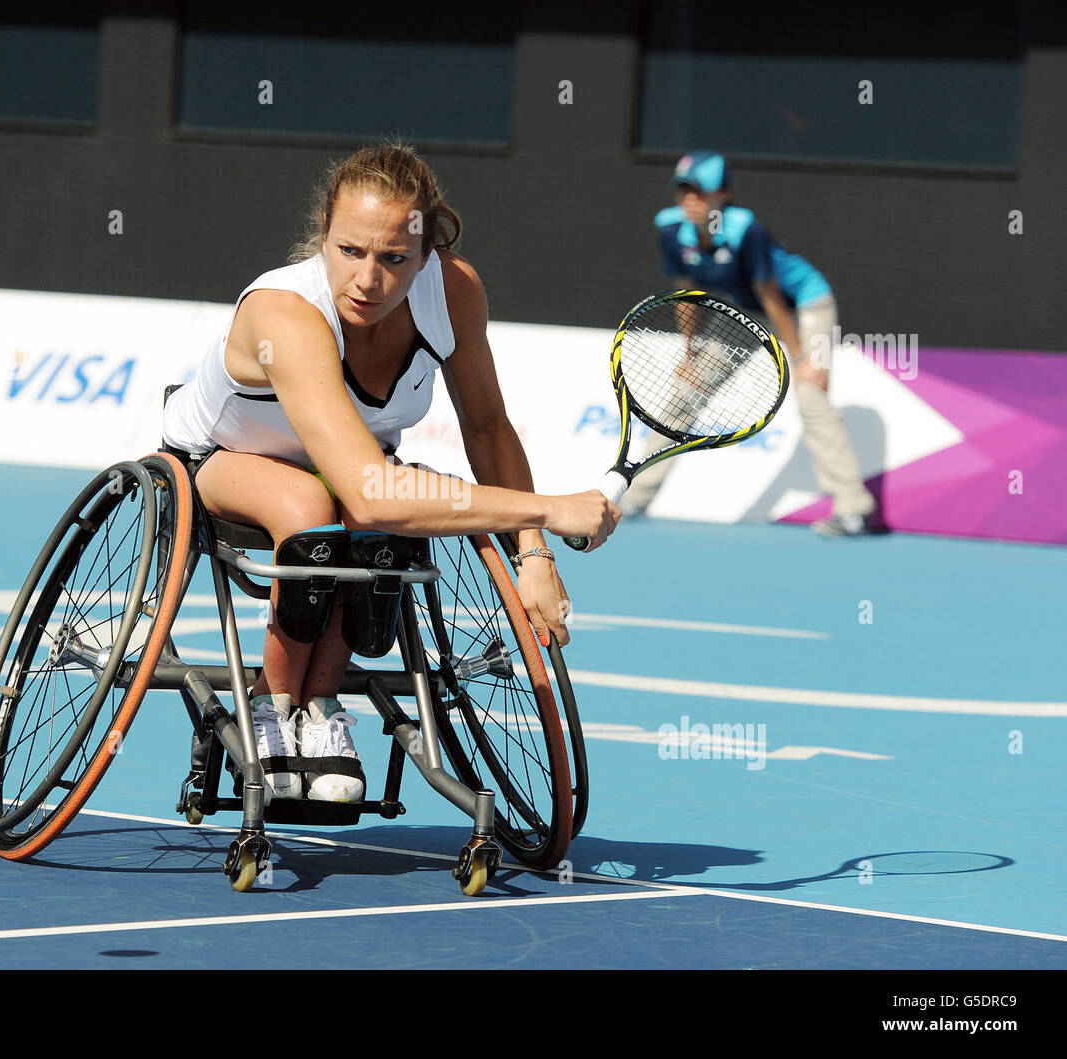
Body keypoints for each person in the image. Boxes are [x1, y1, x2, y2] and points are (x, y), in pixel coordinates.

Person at [163, 143, 620, 803]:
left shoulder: (454, 290)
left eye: (393, 259)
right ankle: (272, 705)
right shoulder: (284, 313)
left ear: (428, 255)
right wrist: (545, 507)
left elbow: (487, 427)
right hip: (219, 459)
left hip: (354, 471)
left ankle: (320, 716)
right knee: (316, 502)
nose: (367, 280)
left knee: (375, 522)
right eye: (349, 251)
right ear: (324, 237)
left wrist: (533, 551)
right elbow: (372, 494)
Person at [619, 150, 876, 536]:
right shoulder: (670, 229)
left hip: (804, 304)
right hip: (744, 312)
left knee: (811, 394)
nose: (690, 200)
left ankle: (854, 509)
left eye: (699, 192)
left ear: (722, 193)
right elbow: (687, 294)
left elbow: (770, 293)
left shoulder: (744, 229)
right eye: (683, 191)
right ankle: (635, 497)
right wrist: (690, 353)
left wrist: (803, 357)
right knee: (685, 392)